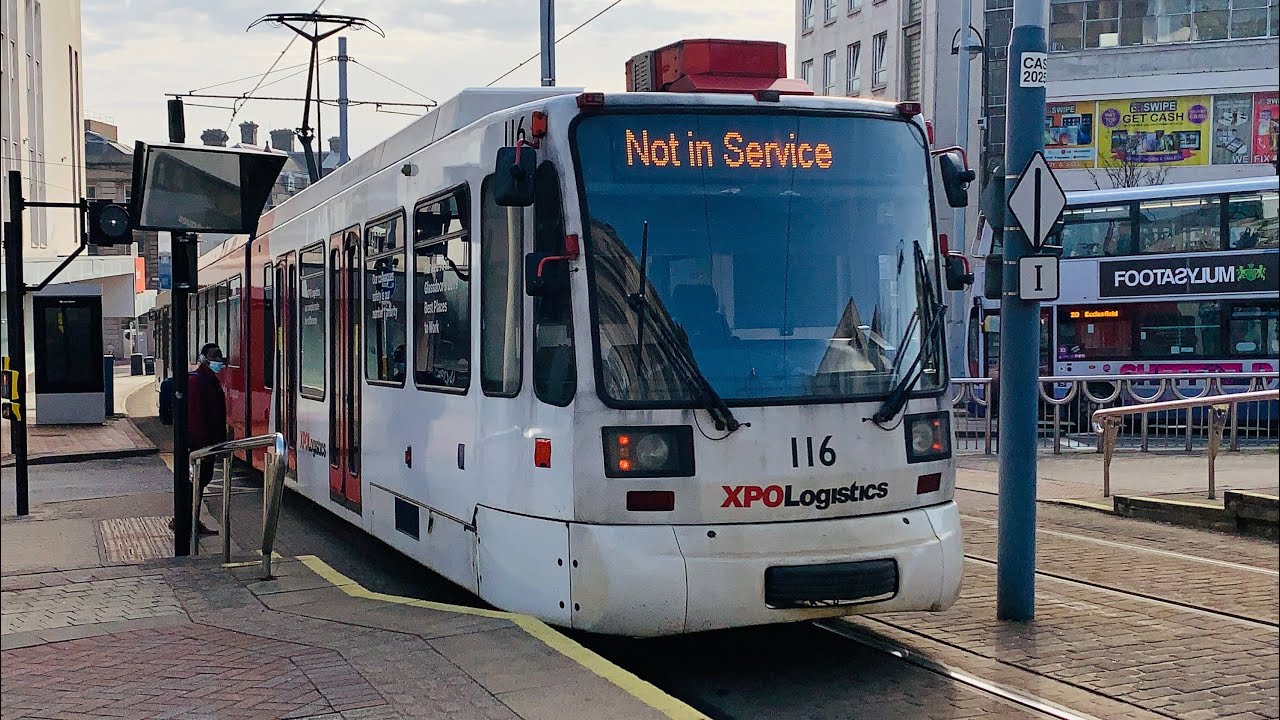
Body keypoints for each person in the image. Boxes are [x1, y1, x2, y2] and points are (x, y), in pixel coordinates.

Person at [172, 343, 227, 536]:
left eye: (220, 356)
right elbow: (195, 417)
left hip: (208, 443)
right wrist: (204, 448)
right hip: (201, 446)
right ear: (203, 358)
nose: (219, 360)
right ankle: (185, 522)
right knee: (195, 484)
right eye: (215, 356)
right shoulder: (198, 382)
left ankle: (190, 521)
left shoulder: (210, 380)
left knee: (199, 483)